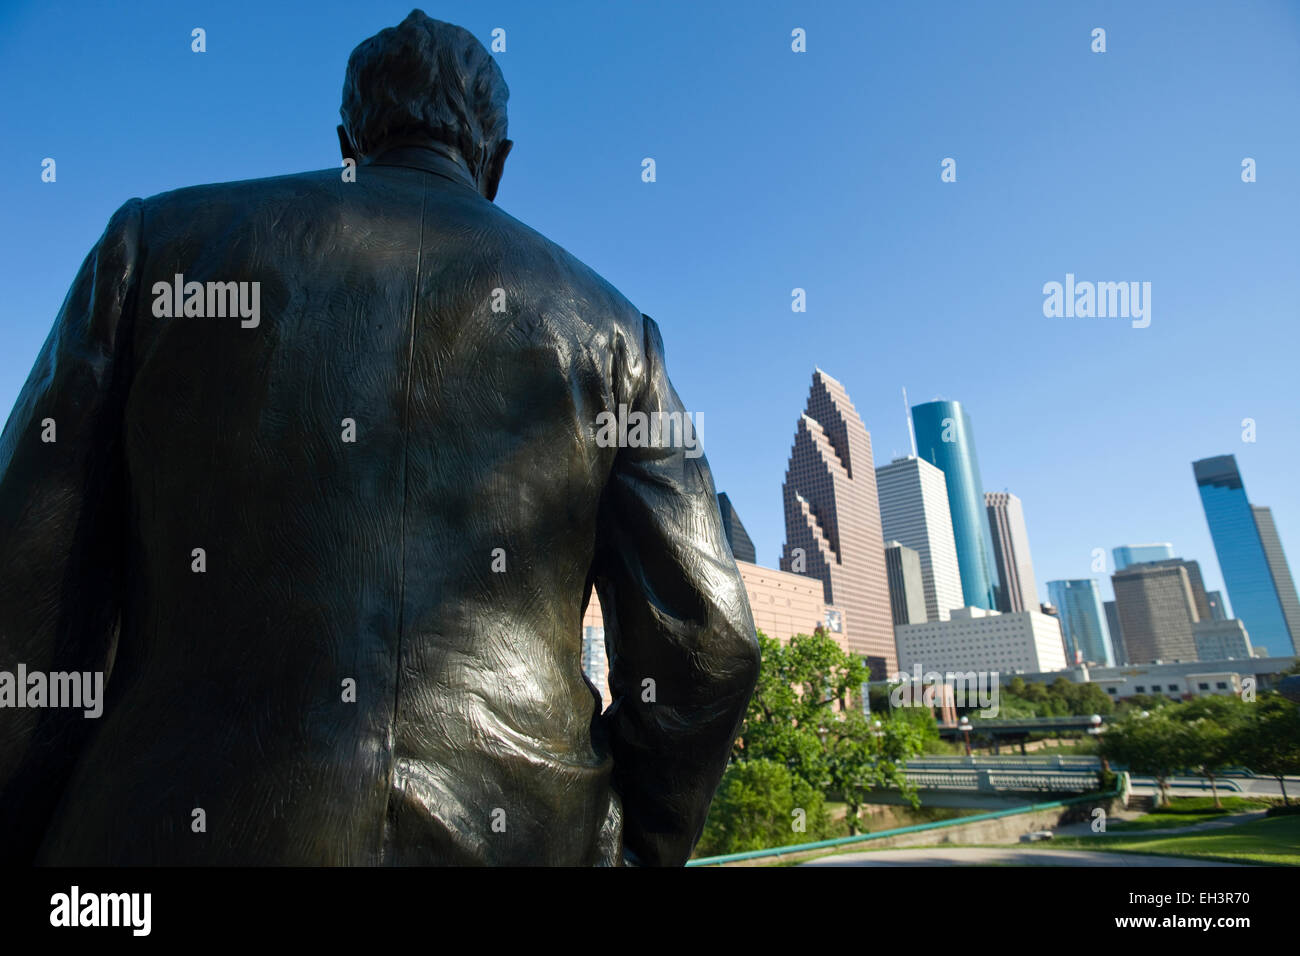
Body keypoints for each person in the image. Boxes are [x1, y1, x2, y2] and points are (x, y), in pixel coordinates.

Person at [0, 10, 758, 866]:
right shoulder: (616, 336)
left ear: (347, 137)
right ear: (497, 162)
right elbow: (710, 644)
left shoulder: (154, 250)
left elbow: (23, 603)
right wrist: (628, 846)